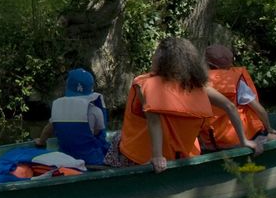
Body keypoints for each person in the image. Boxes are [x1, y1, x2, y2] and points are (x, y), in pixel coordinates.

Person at [106, 37, 262, 172]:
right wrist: (244, 141)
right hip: (184, 157)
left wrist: (157, 157)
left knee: (117, 138)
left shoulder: (144, 84)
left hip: (145, 159)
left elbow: (154, 121)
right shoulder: (200, 87)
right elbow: (230, 107)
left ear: (161, 60)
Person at [199, 44, 276, 151]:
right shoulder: (236, 82)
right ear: (230, 63)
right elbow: (259, 110)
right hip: (236, 140)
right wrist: (269, 128)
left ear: (206, 63)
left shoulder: (198, 82)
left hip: (211, 142)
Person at [33, 67, 108, 167]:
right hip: (91, 160)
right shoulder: (95, 111)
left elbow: (48, 130)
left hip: (66, 158)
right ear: (91, 89)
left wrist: (41, 141)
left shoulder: (58, 107)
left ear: (68, 86)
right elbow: (97, 133)